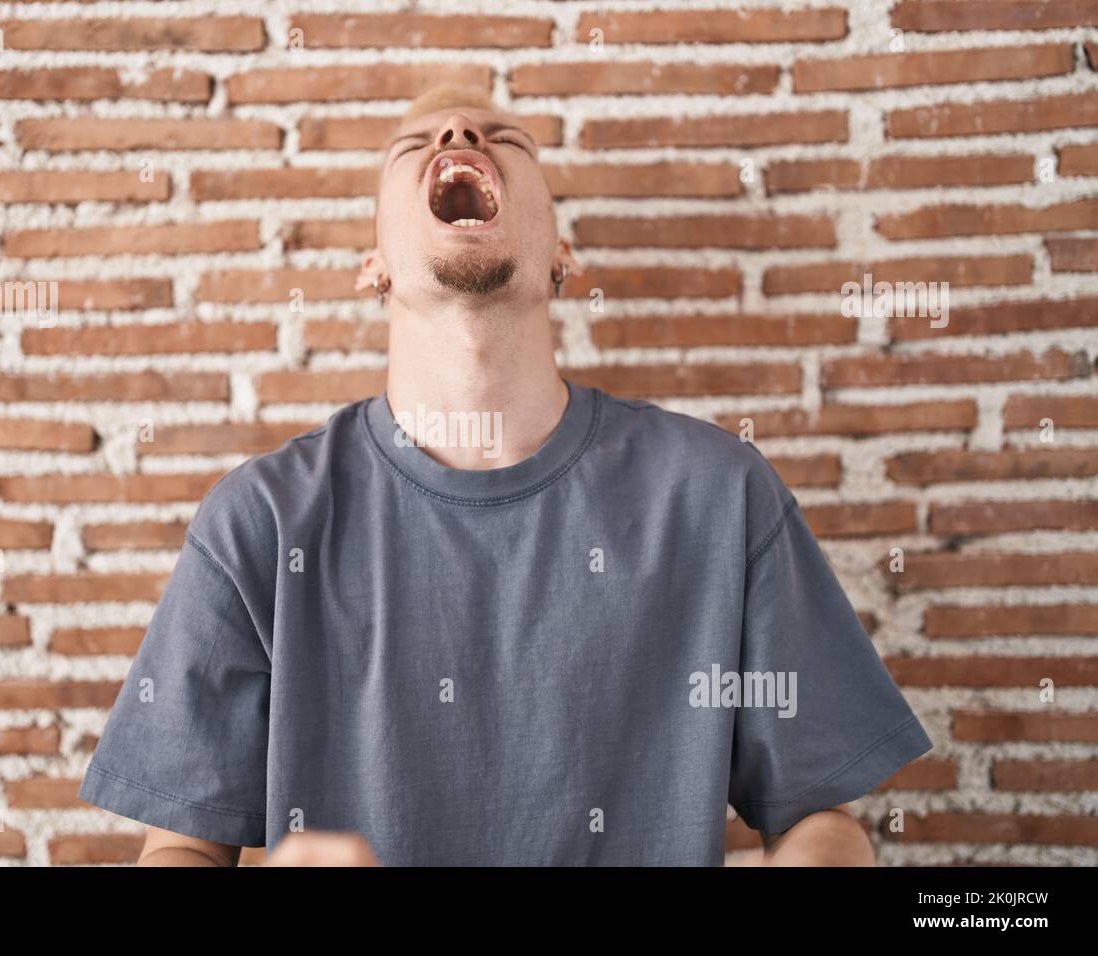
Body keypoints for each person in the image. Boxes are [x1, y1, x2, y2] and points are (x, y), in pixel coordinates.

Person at [77, 84, 933, 867]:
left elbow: (825, 822)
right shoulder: (257, 524)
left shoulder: (720, 495)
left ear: (561, 253)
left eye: (505, 138)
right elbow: (179, 851)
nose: (459, 131)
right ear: (372, 263)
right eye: (416, 142)